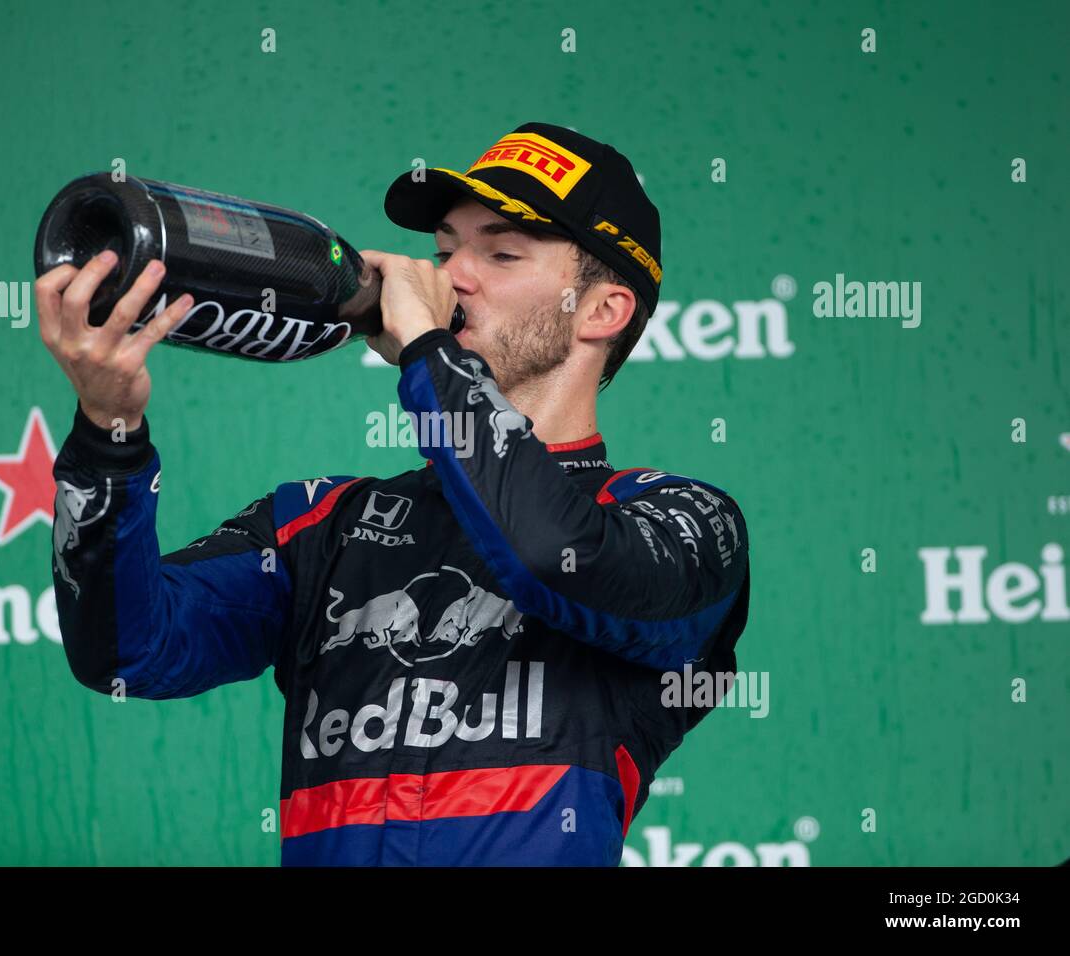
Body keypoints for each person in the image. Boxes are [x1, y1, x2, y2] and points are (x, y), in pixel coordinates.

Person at [36, 122, 750, 866]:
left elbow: (549, 553)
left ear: (603, 310)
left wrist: (428, 353)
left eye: (501, 253)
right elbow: (126, 652)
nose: (452, 277)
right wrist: (106, 432)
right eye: (445, 252)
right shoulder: (324, 527)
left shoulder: (679, 521)